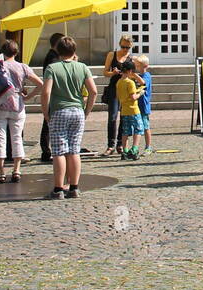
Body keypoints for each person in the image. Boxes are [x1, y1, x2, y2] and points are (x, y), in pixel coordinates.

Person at [41, 36, 97, 199]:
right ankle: (74, 187)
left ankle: (58, 189)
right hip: (77, 111)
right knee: (74, 150)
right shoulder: (82, 67)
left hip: (59, 110)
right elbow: (93, 91)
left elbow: (46, 92)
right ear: (74, 51)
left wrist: (45, 112)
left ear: (57, 51)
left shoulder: (52, 68)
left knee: (58, 151)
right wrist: (87, 110)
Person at [0, 40, 43, 183]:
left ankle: (1, 172)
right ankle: (16, 170)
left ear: (3, 52)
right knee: (17, 138)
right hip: (17, 103)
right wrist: (27, 97)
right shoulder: (22, 67)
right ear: (16, 52)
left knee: (0, 139)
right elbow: (40, 84)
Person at [101, 35, 134, 156]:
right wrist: (113, 73)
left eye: (127, 47)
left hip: (125, 89)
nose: (125, 49)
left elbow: (132, 75)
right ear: (120, 45)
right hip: (114, 89)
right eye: (123, 47)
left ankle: (120, 143)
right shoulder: (112, 55)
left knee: (124, 117)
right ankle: (110, 145)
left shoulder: (131, 58)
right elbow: (105, 72)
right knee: (112, 117)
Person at [37, 32, 64, 162]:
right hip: (54, 94)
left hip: (54, 94)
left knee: (48, 124)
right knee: (48, 124)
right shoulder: (53, 58)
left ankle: (46, 151)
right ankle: (46, 151)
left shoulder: (54, 56)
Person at [116, 60, 146, 160]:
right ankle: (134, 149)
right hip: (133, 109)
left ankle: (125, 151)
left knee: (125, 131)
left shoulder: (119, 82)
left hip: (124, 109)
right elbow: (133, 97)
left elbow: (119, 95)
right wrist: (140, 93)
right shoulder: (130, 82)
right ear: (130, 71)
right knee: (138, 129)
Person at [136, 55, 154, 154]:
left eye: (138, 65)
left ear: (145, 66)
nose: (137, 67)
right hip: (136, 105)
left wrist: (134, 76)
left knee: (146, 126)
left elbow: (143, 84)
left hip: (144, 104)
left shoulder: (146, 76)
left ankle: (148, 146)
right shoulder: (139, 75)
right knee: (137, 127)